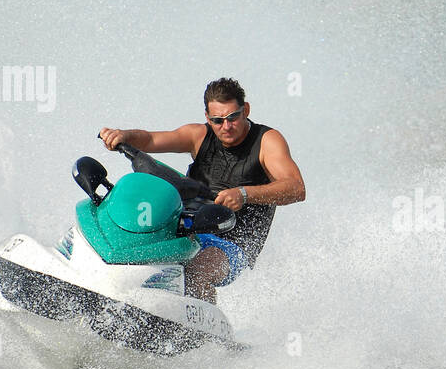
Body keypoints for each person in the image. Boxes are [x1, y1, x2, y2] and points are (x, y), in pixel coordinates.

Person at [99, 77, 305, 302]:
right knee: (132, 246)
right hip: (186, 230)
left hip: (232, 244)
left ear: (245, 110)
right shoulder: (198, 135)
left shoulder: (267, 141)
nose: (226, 126)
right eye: (218, 120)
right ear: (207, 117)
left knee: (194, 273)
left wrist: (244, 194)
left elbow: (296, 187)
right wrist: (124, 136)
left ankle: (200, 325)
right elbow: (149, 140)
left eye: (233, 117)